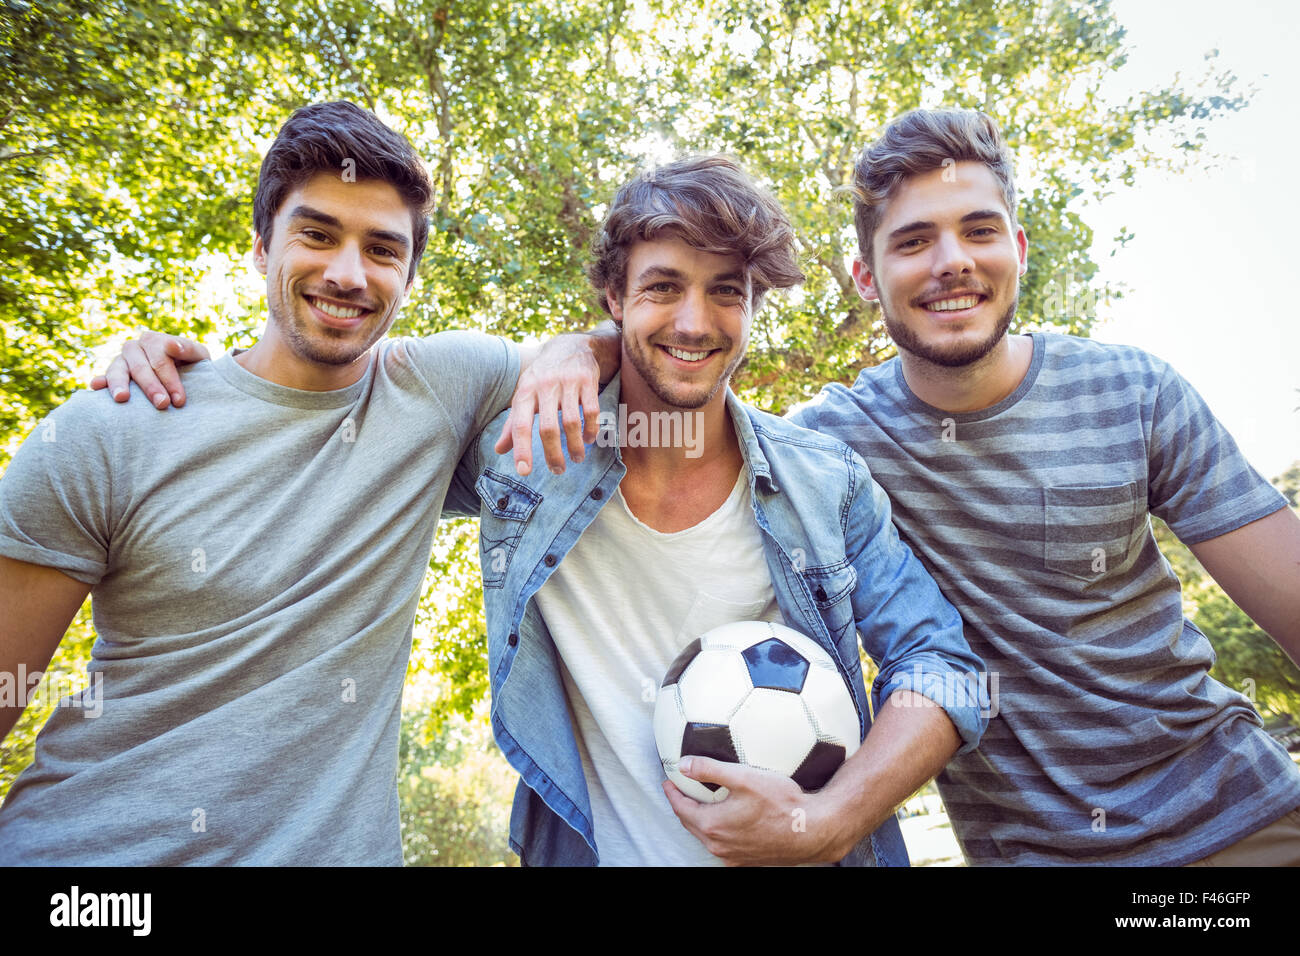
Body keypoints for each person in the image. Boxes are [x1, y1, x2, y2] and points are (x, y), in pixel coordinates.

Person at [97, 156, 990, 866]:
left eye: (727, 290)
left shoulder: (823, 483)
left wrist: (831, 821)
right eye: (662, 286)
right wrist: (194, 380)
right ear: (614, 296)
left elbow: (944, 664)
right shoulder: (524, 453)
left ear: (755, 307)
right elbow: (325, 408)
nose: (694, 319)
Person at [0, 100, 611, 865]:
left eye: (383, 250)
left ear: (410, 277)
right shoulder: (112, 429)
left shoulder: (439, 390)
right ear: (261, 246)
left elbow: (631, 345)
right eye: (317, 235)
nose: (349, 274)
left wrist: (580, 350)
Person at [788, 108, 1300, 865]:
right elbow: (677, 405)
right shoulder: (827, 448)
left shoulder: (1135, 390)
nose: (952, 261)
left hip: (1242, 825)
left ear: (1018, 250)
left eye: (980, 230)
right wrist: (590, 347)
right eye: (914, 240)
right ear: (867, 277)